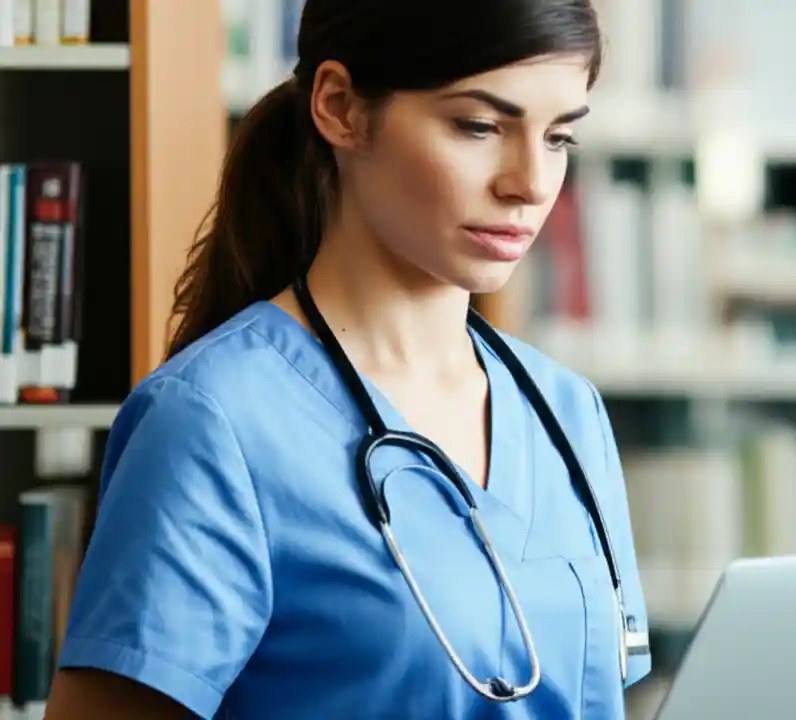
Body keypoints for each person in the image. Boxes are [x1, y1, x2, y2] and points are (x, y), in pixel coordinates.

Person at [43, 1, 652, 717]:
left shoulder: (565, 410)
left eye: (557, 139)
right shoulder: (214, 422)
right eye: (480, 126)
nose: (530, 183)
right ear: (340, 107)